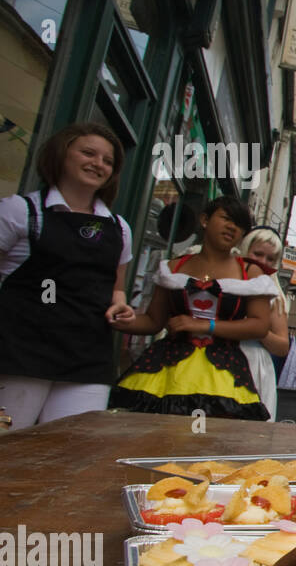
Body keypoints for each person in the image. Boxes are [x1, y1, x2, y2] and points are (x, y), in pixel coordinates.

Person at [0, 123, 134, 429]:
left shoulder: (119, 227)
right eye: (88, 153)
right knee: (7, 446)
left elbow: (117, 290)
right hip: (19, 352)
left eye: (108, 160)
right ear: (61, 154)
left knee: (72, 454)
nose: (98, 164)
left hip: (86, 358)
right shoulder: (20, 211)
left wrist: (120, 306)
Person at [110, 197, 274, 420]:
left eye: (239, 225)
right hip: (166, 369)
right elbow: (153, 321)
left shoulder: (251, 272)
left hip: (223, 372)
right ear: (205, 220)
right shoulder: (173, 267)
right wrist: (124, 319)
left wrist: (204, 325)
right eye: (226, 218)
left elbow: (259, 325)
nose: (232, 227)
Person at [236, 227, 290, 421]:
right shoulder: (226, 281)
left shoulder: (274, 296)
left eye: (270, 259)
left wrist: (256, 329)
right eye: (257, 254)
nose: (262, 262)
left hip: (253, 365)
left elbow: (283, 346)